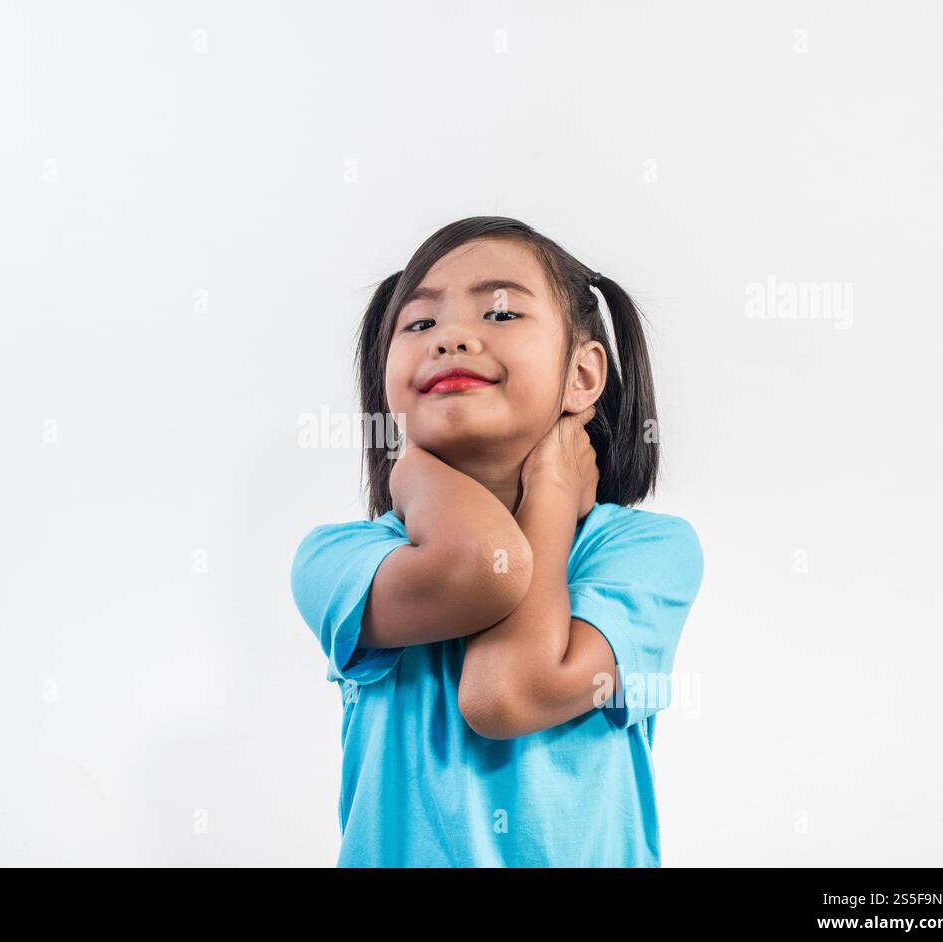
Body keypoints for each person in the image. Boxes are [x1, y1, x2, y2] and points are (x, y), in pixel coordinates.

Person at [291, 215, 703, 866]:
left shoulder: (647, 553)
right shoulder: (340, 561)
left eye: (502, 314)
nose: (451, 337)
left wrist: (550, 491)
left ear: (583, 376)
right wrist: (415, 470)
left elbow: (504, 692)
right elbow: (481, 565)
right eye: (421, 323)